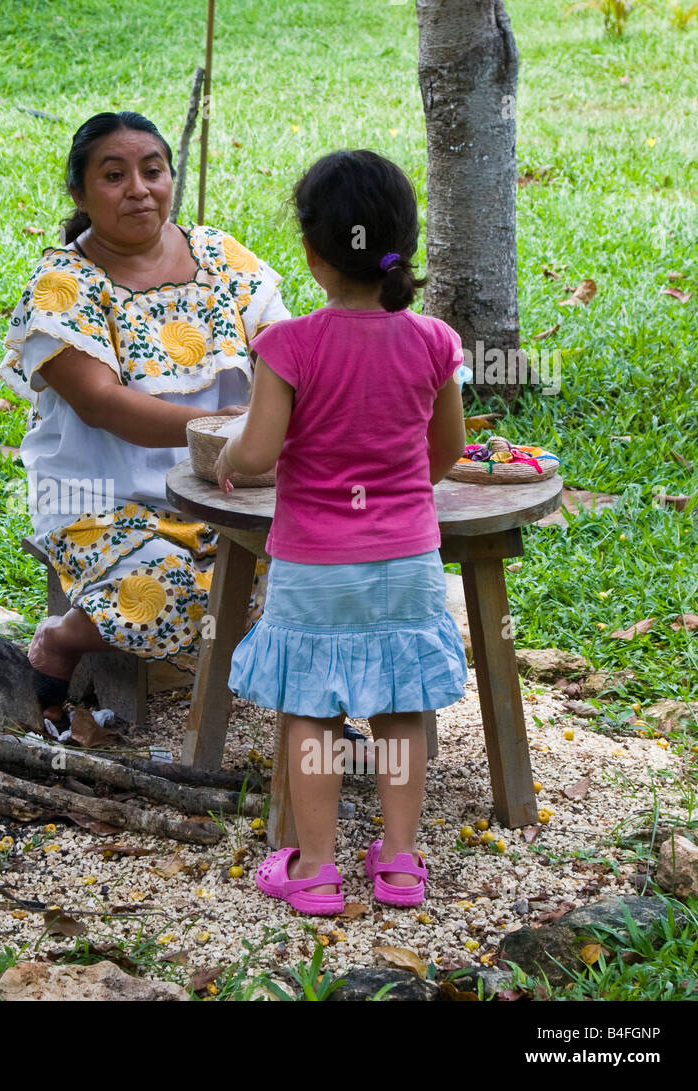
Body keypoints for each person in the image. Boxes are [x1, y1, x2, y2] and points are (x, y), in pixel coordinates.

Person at [215, 149, 469, 915]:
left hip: (315, 564)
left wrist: (228, 453)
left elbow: (257, 454)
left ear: (313, 256)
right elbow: (446, 451)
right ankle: (397, 863)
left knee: (313, 710)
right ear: (404, 243)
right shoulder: (434, 340)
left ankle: (317, 869)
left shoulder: (289, 345)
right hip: (406, 559)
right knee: (399, 705)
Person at [0, 111, 291, 716]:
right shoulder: (63, 285)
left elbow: (289, 357)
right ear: (79, 192)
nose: (139, 189)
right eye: (114, 175)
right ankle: (60, 639)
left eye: (153, 171)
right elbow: (101, 404)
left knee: (318, 575)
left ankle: (312, 718)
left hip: (231, 489)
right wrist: (231, 431)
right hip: (100, 497)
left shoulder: (222, 258)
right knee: (165, 595)